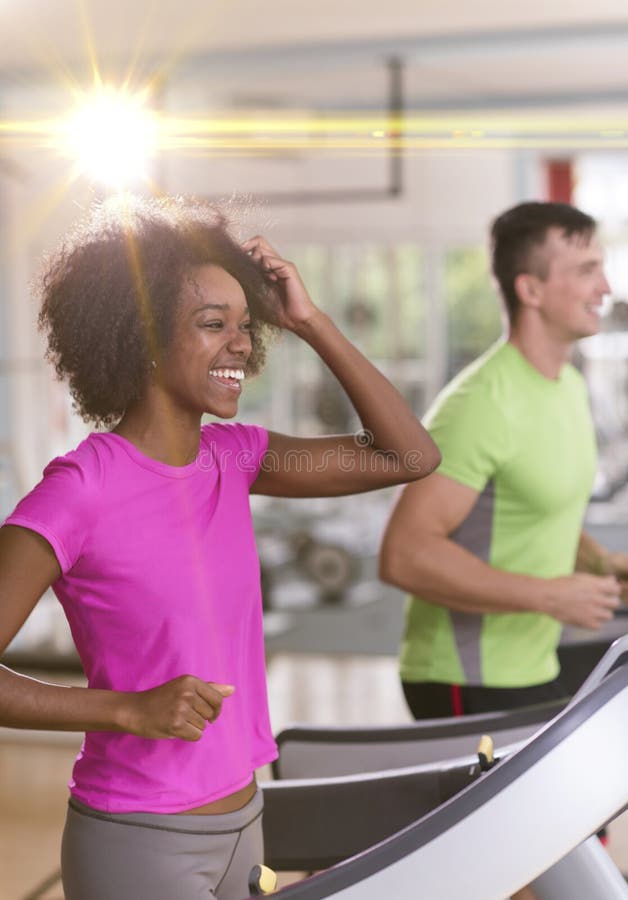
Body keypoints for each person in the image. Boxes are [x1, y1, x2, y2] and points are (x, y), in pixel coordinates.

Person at [0, 195, 440, 900]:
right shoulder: (81, 489)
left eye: (246, 326)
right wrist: (125, 709)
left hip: (245, 819)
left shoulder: (236, 458)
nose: (241, 344)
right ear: (140, 336)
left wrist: (309, 322)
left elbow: (409, 455)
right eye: (214, 324)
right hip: (138, 839)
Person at [379, 200, 628, 723]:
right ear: (530, 289)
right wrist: (549, 596)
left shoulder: (568, 386)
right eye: (587, 271)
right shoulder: (480, 404)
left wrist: (595, 562)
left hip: (529, 662)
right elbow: (405, 553)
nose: (605, 288)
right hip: (462, 675)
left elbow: (529, 504)